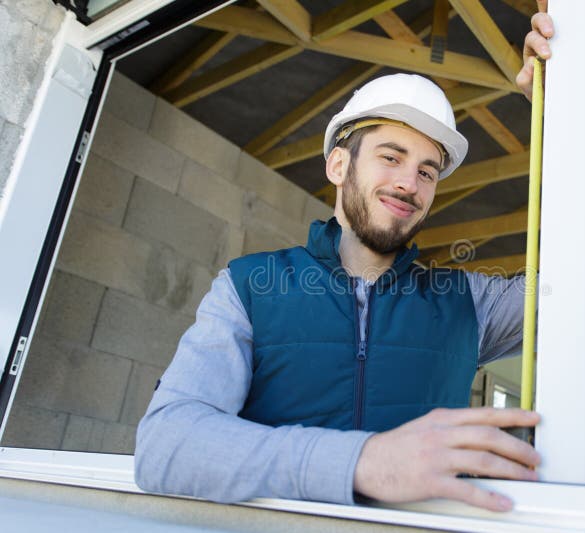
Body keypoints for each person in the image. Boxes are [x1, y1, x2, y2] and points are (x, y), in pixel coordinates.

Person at [135, 12, 555, 513]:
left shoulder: (470, 302)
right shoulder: (250, 288)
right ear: (338, 165)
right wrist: (362, 462)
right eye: (391, 157)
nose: (409, 184)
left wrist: (566, 115)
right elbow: (166, 445)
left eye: (427, 171)